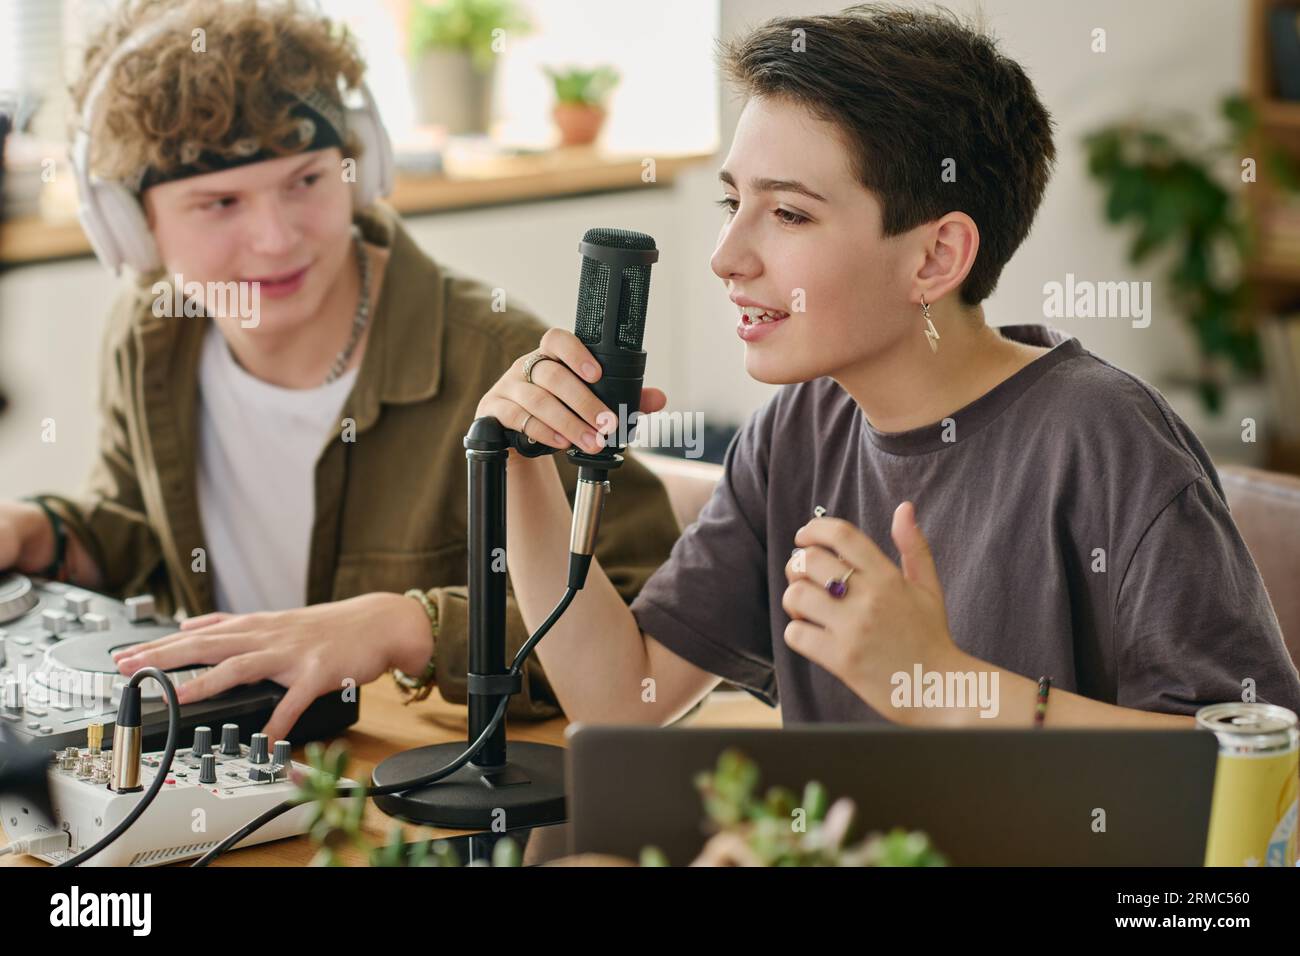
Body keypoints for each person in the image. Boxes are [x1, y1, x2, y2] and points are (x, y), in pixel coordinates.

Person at [473, 3, 1300, 728]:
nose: (727, 257)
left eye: (789, 213)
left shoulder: (1106, 439)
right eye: (735, 204)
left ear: (937, 257)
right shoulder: (794, 432)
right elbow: (624, 698)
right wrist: (521, 467)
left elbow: (1258, 774)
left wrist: (950, 688)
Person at [0, 0, 680, 741]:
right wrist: (42, 533)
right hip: (241, 778)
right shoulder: (154, 335)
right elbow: (146, 537)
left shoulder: (497, 360)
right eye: (220, 202)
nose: (275, 237)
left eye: (305, 182)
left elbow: (643, 642)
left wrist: (409, 627)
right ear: (131, 226)